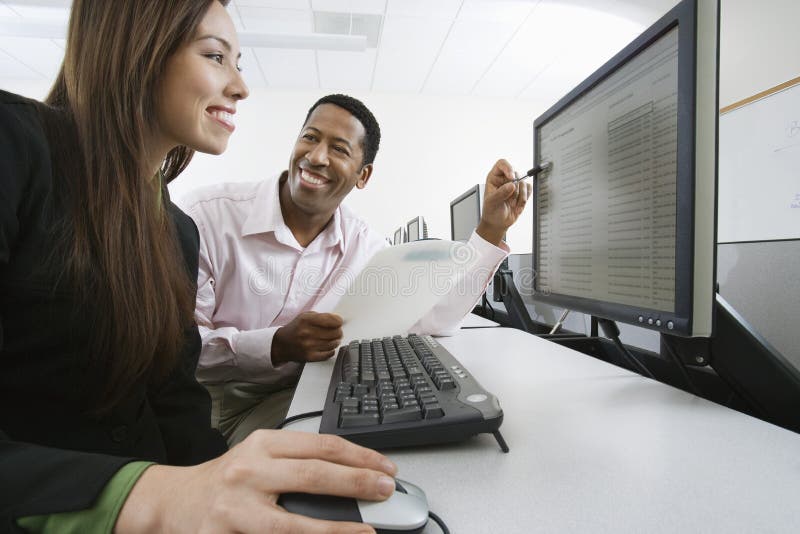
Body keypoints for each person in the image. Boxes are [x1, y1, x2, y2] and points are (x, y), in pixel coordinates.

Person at [1, 1, 398, 533]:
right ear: (137, 50)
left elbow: (175, 407)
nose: (240, 88)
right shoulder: (15, 146)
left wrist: (226, 483)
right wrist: (157, 498)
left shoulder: (173, 230)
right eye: (216, 56)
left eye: (239, 63)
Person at [180, 93, 532, 444]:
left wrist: (490, 229)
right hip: (203, 399)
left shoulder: (366, 247)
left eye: (339, 149)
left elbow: (433, 318)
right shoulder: (207, 216)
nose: (316, 157)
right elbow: (182, 349)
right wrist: (276, 345)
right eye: (310, 137)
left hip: (292, 392)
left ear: (363, 176)